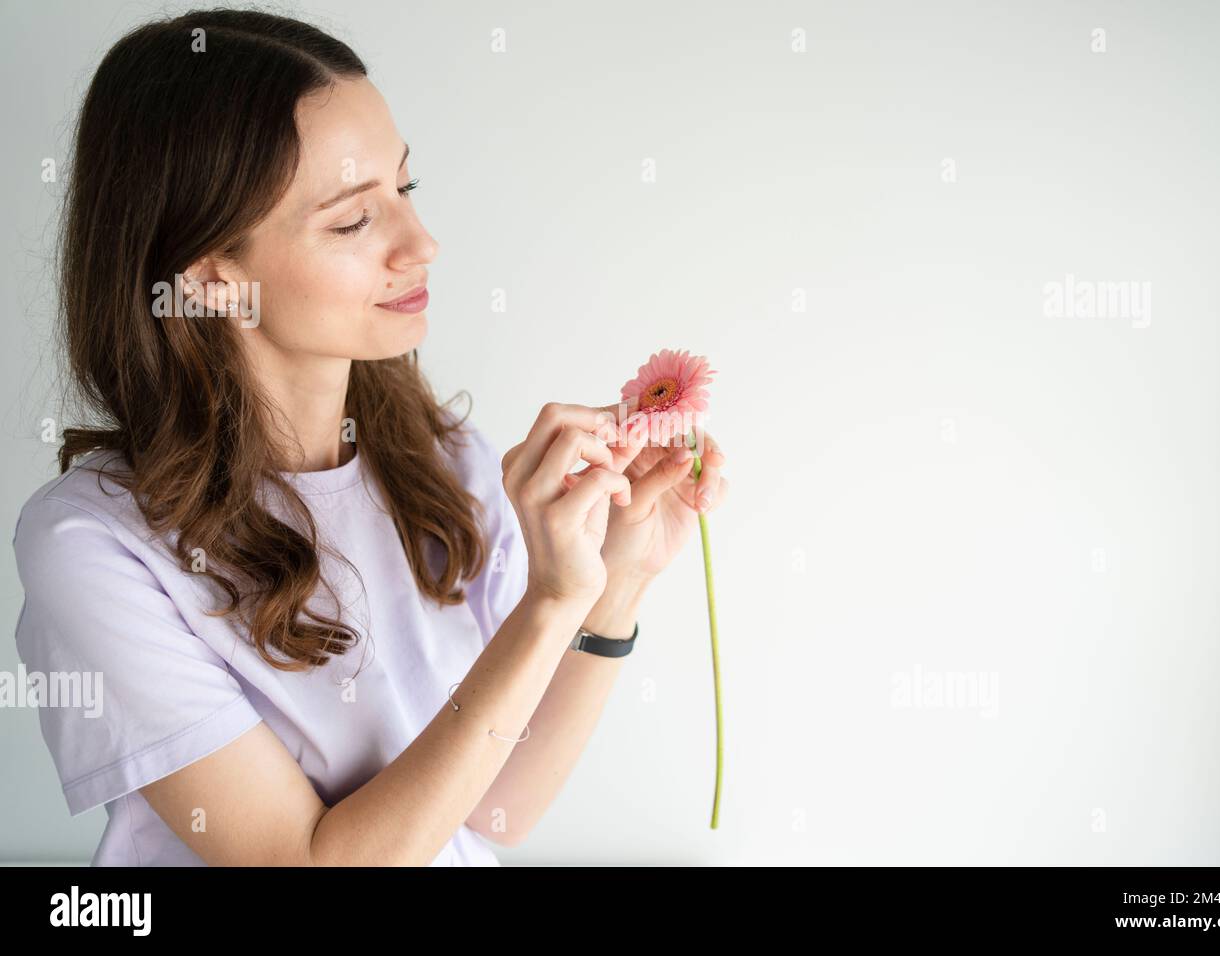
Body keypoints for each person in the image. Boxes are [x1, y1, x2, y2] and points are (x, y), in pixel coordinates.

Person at [12, 8, 727, 866]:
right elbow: (309, 862)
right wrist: (547, 605)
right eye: (354, 221)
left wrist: (612, 586)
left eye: (406, 189)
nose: (421, 244)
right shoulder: (91, 545)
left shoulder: (447, 462)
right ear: (210, 279)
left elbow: (492, 817)